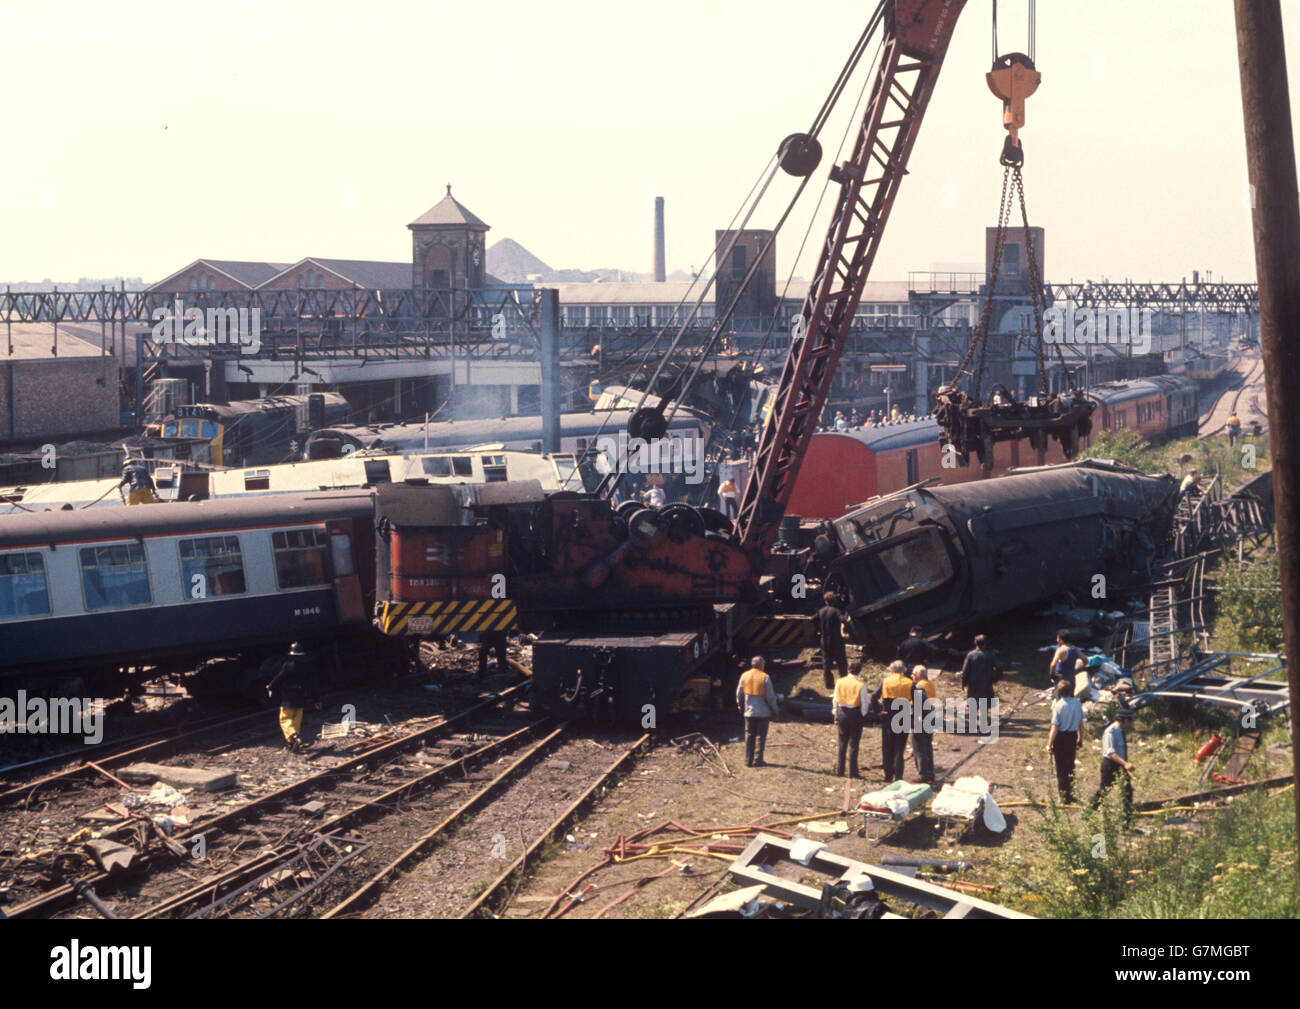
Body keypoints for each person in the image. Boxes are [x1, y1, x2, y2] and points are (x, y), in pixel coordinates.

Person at [266, 642, 316, 753]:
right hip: (301, 699)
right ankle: (291, 744)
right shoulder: (306, 667)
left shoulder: (288, 665)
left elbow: (279, 677)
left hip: (288, 699)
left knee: (284, 720)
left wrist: (270, 686)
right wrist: (317, 699)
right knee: (296, 721)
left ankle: (294, 738)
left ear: (291, 655)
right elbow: (311, 685)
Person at [1091, 706, 1137, 823]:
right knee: (1104, 791)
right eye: (1130, 721)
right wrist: (1125, 764)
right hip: (1110, 766)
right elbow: (1110, 753)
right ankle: (1089, 812)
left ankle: (1127, 824)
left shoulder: (1120, 730)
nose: (1131, 724)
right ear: (1124, 720)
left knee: (1127, 792)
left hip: (1120, 765)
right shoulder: (1110, 732)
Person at [1045, 677, 1085, 803]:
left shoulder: (1058, 706)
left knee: (1061, 768)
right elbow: (1081, 724)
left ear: (1059, 692)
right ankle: (1071, 794)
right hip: (1072, 736)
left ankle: (1063, 797)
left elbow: (1054, 727)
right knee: (1070, 766)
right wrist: (1080, 738)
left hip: (1061, 738)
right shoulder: (1078, 704)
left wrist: (1049, 744)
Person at [736, 655, 780, 768]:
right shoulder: (765, 677)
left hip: (749, 712)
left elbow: (739, 694)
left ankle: (748, 760)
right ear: (761, 665)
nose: (764, 665)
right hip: (763, 713)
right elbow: (770, 697)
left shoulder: (744, 676)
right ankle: (758, 759)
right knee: (761, 736)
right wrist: (775, 710)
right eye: (764, 664)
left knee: (749, 736)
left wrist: (740, 706)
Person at [832, 660, 870, 779]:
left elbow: (835, 699)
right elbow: (864, 703)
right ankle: (853, 772)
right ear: (860, 671)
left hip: (841, 712)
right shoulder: (861, 685)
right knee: (854, 743)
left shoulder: (839, 682)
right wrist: (862, 714)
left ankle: (840, 770)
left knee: (842, 742)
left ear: (848, 669)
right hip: (855, 714)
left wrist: (835, 714)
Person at [879, 660, 913, 783]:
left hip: (888, 716)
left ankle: (888, 775)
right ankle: (898, 776)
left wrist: (878, 711)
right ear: (903, 670)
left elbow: (873, 697)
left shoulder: (885, 681)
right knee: (900, 747)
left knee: (887, 747)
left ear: (891, 670)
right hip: (903, 716)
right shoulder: (910, 682)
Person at [909, 664, 936, 785]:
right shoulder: (930, 685)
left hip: (921, 719)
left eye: (914, 674)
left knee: (919, 747)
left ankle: (923, 774)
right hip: (930, 718)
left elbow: (918, 706)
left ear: (919, 675)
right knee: (928, 746)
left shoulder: (919, 687)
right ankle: (930, 772)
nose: (912, 676)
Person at [815, 592, 848, 689]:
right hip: (837, 641)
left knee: (827, 664)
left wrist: (818, 629)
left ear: (825, 601)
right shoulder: (836, 611)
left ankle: (829, 685)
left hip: (824, 641)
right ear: (834, 600)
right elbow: (843, 620)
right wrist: (846, 615)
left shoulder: (820, 611)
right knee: (842, 663)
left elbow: (813, 619)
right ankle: (843, 681)